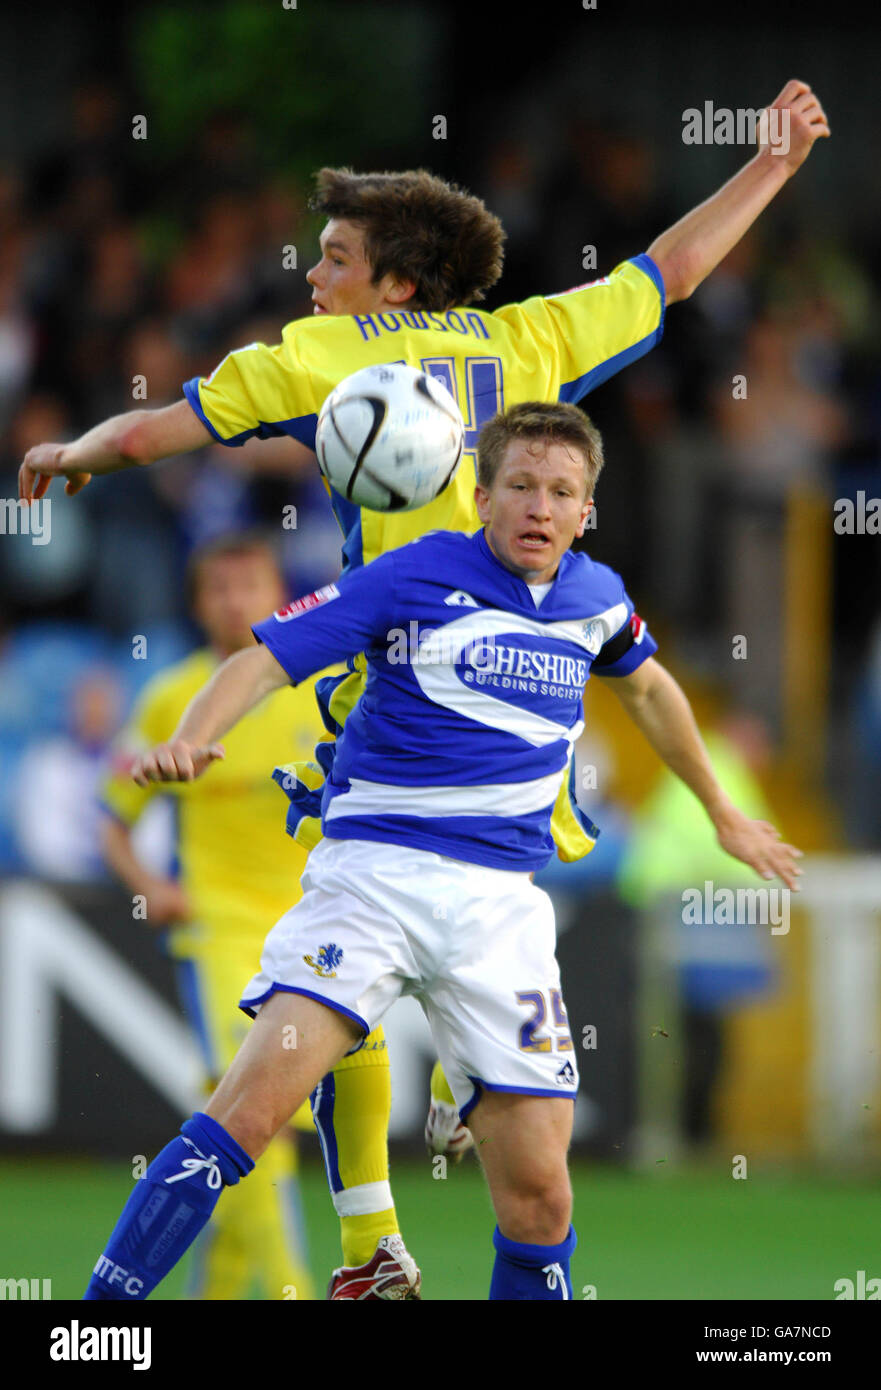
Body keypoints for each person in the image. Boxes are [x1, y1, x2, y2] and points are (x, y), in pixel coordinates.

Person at [21, 77, 826, 1270]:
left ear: (394, 282)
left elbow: (157, 431)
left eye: (333, 257)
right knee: (349, 979)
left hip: (382, 699)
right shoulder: (530, 336)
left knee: (342, 971)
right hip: (510, 708)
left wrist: (76, 452)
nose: (311, 276)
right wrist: (769, 165)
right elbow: (670, 270)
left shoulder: (324, 355)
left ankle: (367, 1233)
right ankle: (371, 1238)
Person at [81, 402, 801, 1301]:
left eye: (562, 492)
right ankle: (96, 1325)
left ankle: (395, 1208)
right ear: (480, 495)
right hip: (373, 884)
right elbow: (264, 658)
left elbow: (651, 690)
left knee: (540, 1197)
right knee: (247, 1115)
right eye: (523, 487)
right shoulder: (408, 576)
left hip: (500, 909)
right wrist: (193, 733)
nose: (541, 507)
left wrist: (723, 811)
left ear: (586, 511)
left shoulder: (596, 598)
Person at [98, 531, 419, 1300]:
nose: (235, 601)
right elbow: (113, 814)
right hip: (219, 934)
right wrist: (151, 882)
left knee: (253, 1126)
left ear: (282, 594)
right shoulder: (175, 700)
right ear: (196, 601)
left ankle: (214, 1292)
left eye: (250, 585)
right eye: (218, 588)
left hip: (324, 933)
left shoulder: (323, 686)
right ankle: (293, 1287)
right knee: (252, 1125)